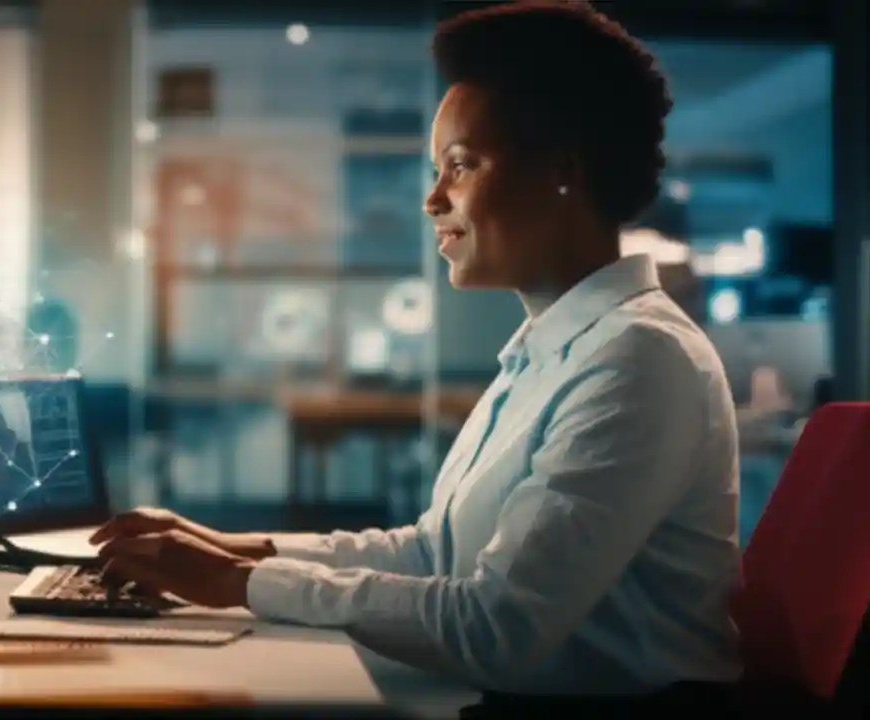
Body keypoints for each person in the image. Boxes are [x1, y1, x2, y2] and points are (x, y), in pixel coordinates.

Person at [92, 0, 742, 699]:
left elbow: (497, 627)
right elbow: (434, 552)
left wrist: (238, 584)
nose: (432, 200)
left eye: (461, 165)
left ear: (562, 170)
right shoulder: (552, 347)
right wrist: (235, 548)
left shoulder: (639, 358)